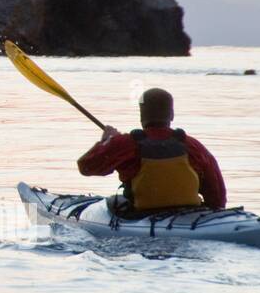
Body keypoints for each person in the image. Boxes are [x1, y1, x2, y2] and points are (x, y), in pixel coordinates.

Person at [77, 87, 226, 212]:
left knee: (113, 202)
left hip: (141, 216)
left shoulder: (125, 143)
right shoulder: (193, 146)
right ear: (171, 115)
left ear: (142, 115)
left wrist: (106, 142)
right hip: (190, 216)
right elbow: (217, 198)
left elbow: (86, 167)